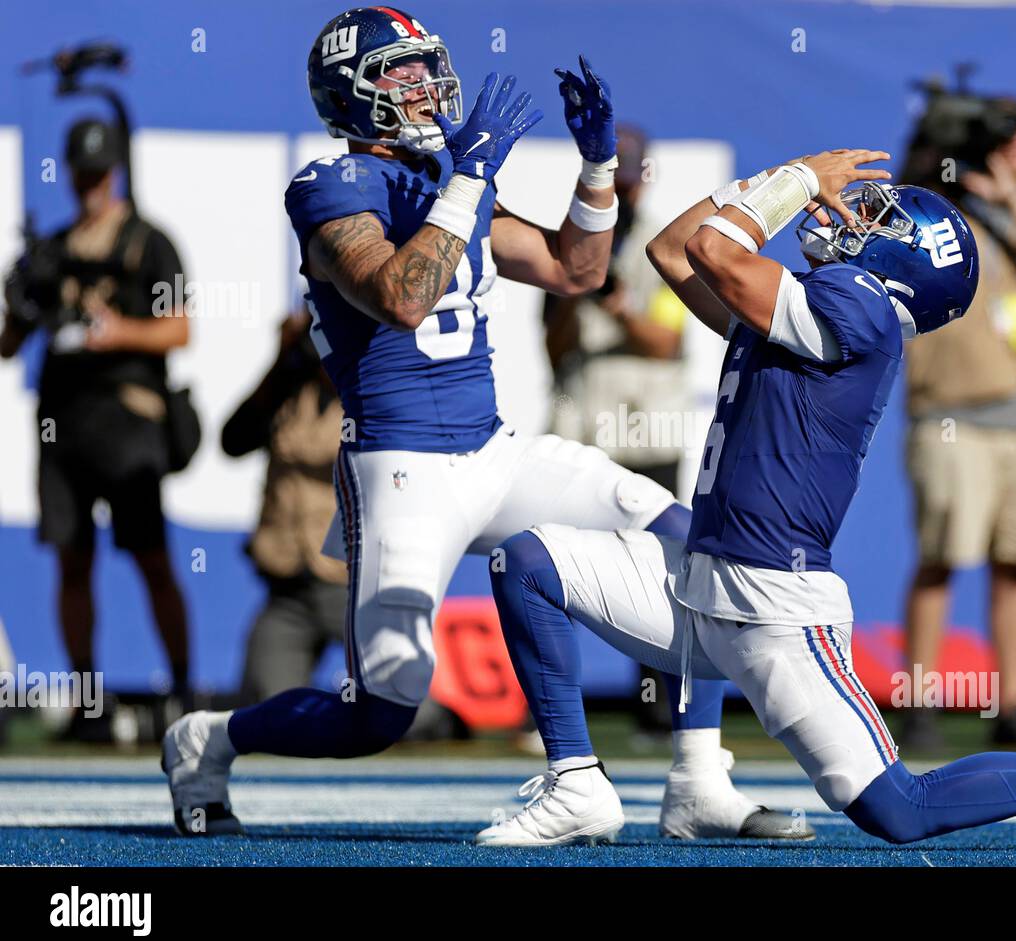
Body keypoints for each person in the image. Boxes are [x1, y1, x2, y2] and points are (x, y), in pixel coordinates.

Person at [163, 7, 803, 842]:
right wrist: (465, 182)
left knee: (689, 541)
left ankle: (695, 782)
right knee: (382, 710)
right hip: (401, 469)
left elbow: (577, 269)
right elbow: (400, 297)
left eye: (430, 66)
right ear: (350, 96)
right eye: (402, 71)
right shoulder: (331, 189)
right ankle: (208, 737)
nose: (428, 85)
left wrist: (598, 165)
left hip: (493, 451)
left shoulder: (446, 181)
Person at [475, 149, 1016, 854]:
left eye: (878, 220)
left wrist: (795, 181)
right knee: (529, 561)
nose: (850, 218)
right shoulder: (818, 311)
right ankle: (578, 782)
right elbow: (674, 252)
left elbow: (713, 250)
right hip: (700, 591)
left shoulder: (861, 307)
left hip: (774, 609)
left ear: (904, 263)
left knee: (899, 811)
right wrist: (782, 177)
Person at [898, 99, 1016, 749]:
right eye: (995, 138)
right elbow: (891, 221)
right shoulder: (929, 212)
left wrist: (1011, 200)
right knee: (942, 559)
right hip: (954, 414)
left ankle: (1010, 705)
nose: (1009, 147)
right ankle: (920, 702)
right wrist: (936, 157)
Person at [0, 118, 192, 733]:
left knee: (152, 559)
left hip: (128, 423)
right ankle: (88, 700)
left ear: (113, 173)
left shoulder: (148, 242)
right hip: (62, 427)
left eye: (96, 173)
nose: (87, 185)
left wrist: (119, 333)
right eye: (79, 174)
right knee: (71, 561)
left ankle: (182, 693)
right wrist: (18, 304)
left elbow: (180, 328)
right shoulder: (51, 251)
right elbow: (9, 343)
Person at [545, 123, 693, 739]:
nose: (623, 196)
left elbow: (668, 340)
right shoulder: (569, 244)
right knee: (557, 561)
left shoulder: (665, 247)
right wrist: (573, 296)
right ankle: (555, 701)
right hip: (585, 417)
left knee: (657, 568)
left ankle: (656, 704)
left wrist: (616, 307)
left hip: (646, 421)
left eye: (629, 183)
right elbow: (552, 347)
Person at [220, 309, 348, 705]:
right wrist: (282, 361)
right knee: (265, 703)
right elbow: (233, 441)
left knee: (409, 707)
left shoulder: (374, 389)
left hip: (354, 587)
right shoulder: (287, 390)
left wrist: (346, 368)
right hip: (289, 587)